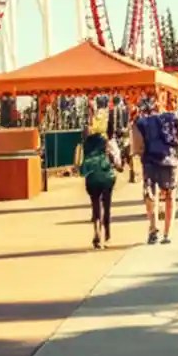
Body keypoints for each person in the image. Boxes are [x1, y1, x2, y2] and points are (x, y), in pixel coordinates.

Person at [134, 97, 178, 244]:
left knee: (151, 195)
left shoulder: (141, 122)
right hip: (172, 161)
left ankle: (153, 229)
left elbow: (138, 147)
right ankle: (167, 234)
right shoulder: (173, 117)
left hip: (150, 161)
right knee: (170, 196)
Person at [80, 99, 123, 249]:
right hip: (106, 175)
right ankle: (107, 235)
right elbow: (118, 162)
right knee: (107, 205)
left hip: (91, 175)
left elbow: (79, 159)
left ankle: (96, 232)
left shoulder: (87, 141)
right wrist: (118, 166)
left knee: (95, 205)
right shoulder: (108, 141)